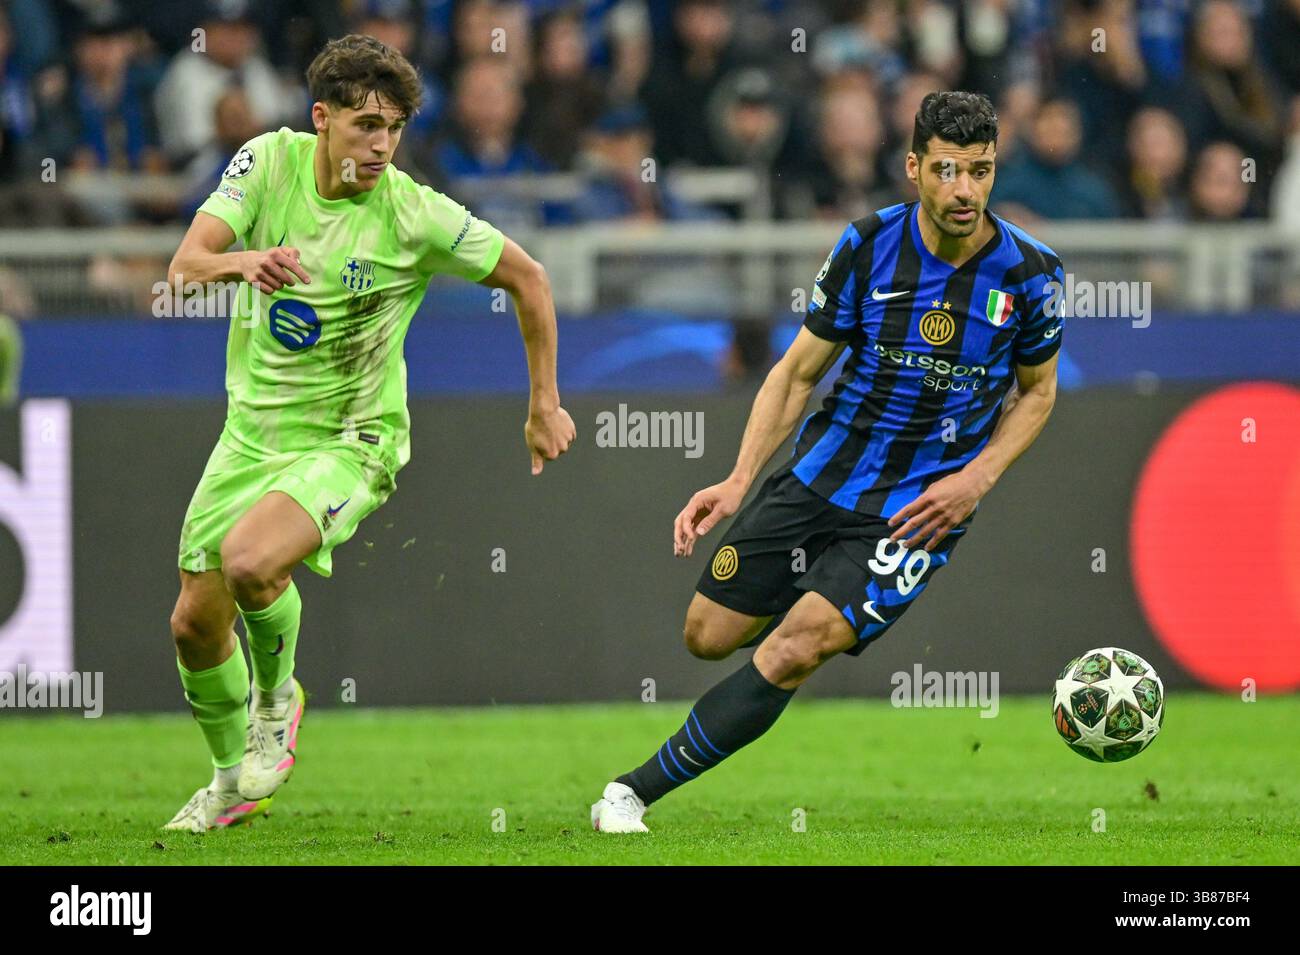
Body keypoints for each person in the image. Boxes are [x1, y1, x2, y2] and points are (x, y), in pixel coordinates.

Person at [591, 91, 1063, 832]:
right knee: (706, 634)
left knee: (792, 649)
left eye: (980, 170)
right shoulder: (867, 244)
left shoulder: (1032, 275)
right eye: (947, 170)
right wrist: (740, 475)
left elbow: (1036, 395)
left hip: (915, 513)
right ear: (913, 168)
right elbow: (797, 373)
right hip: (819, 478)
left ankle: (631, 792)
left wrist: (977, 477)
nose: (965, 189)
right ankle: (812, 602)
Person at [163, 34, 575, 833]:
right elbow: (186, 265)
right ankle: (227, 786)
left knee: (251, 562)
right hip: (250, 433)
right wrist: (239, 265)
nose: (382, 145)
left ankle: (278, 705)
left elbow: (529, 277)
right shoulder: (267, 163)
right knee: (192, 622)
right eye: (365, 126)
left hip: (353, 438)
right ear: (322, 119)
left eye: (394, 128)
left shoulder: (414, 215)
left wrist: (544, 403)